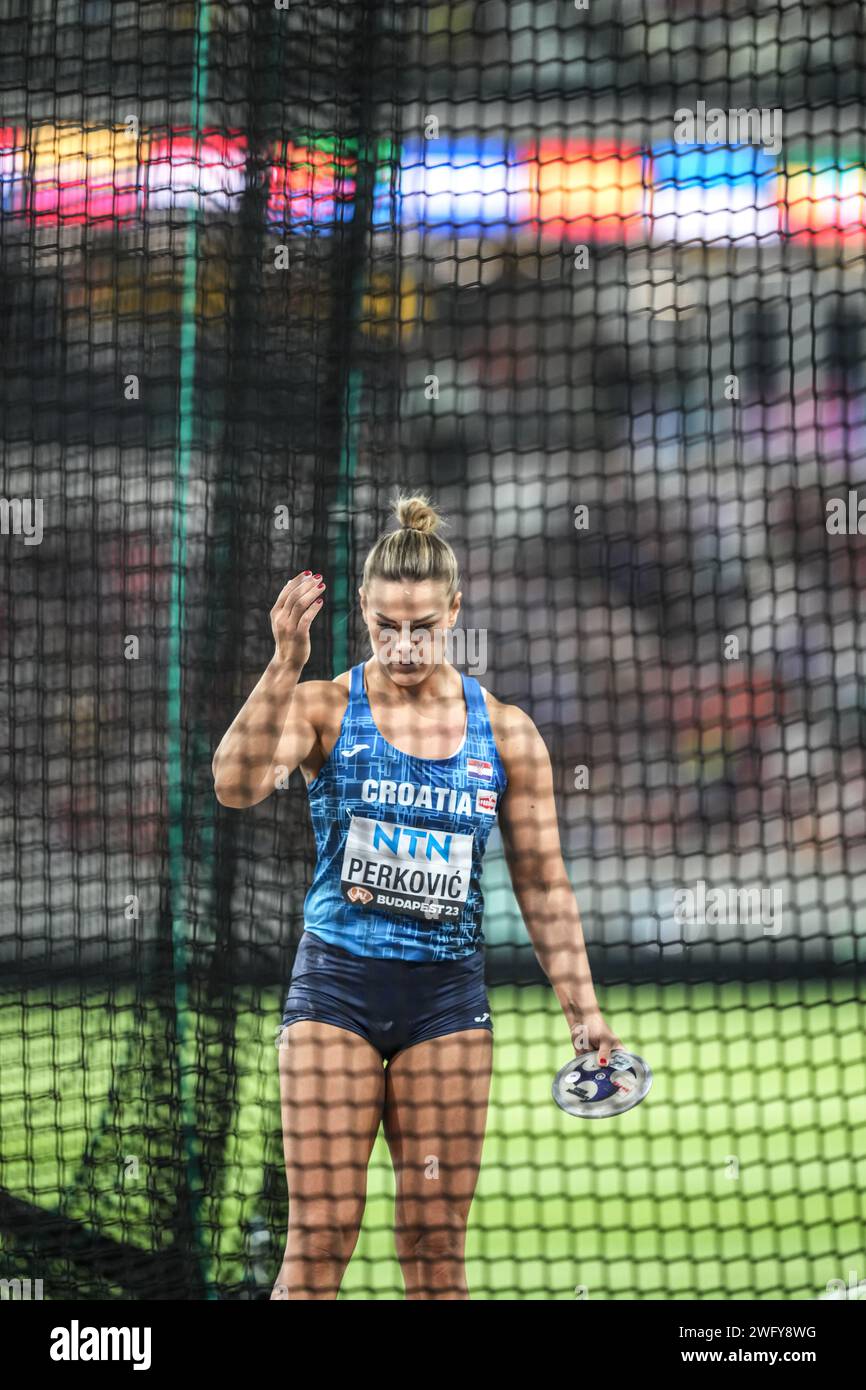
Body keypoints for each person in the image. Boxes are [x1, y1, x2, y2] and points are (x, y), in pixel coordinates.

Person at [212, 492, 623, 1300]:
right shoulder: (324, 708)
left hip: (446, 1003)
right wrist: (284, 664)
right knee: (321, 1241)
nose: (403, 645)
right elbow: (233, 784)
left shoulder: (504, 732)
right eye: (386, 625)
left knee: (435, 1253)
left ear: (454, 611)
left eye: (423, 626)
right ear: (362, 609)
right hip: (336, 989)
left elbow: (543, 884)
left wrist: (583, 1010)